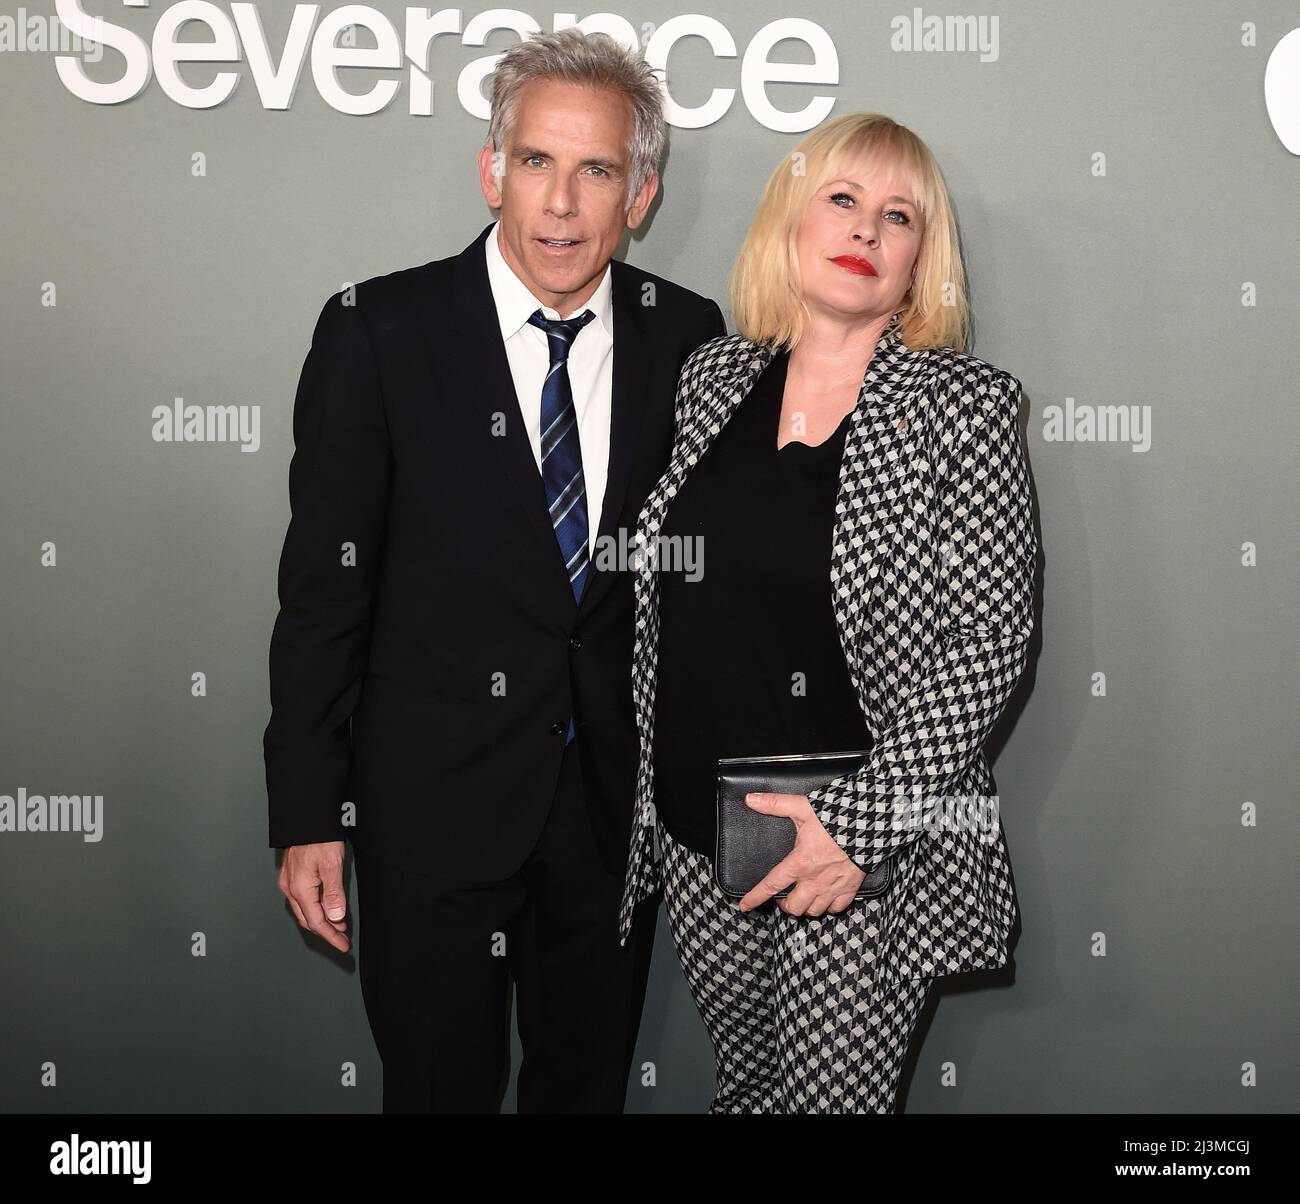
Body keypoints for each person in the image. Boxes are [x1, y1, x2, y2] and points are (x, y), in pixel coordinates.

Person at [263, 29, 725, 1113]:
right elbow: (324, 594)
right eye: (535, 162)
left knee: (584, 1093)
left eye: (597, 170)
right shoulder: (378, 331)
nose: (561, 204)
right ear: (490, 170)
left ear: (641, 192)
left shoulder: (687, 339)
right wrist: (307, 811)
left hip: (610, 822)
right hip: (429, 812)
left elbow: (699, 592)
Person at [617, 112, 1038, 1113]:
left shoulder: (962, 407)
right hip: (692, 827)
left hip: (850, 849)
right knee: (746, 1092)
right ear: (789, 223)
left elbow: (990, 642)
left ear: (918, 261)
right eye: (842, 200)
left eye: (899, 217)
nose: (866, 229)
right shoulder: (713, 378)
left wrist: (854, 830)